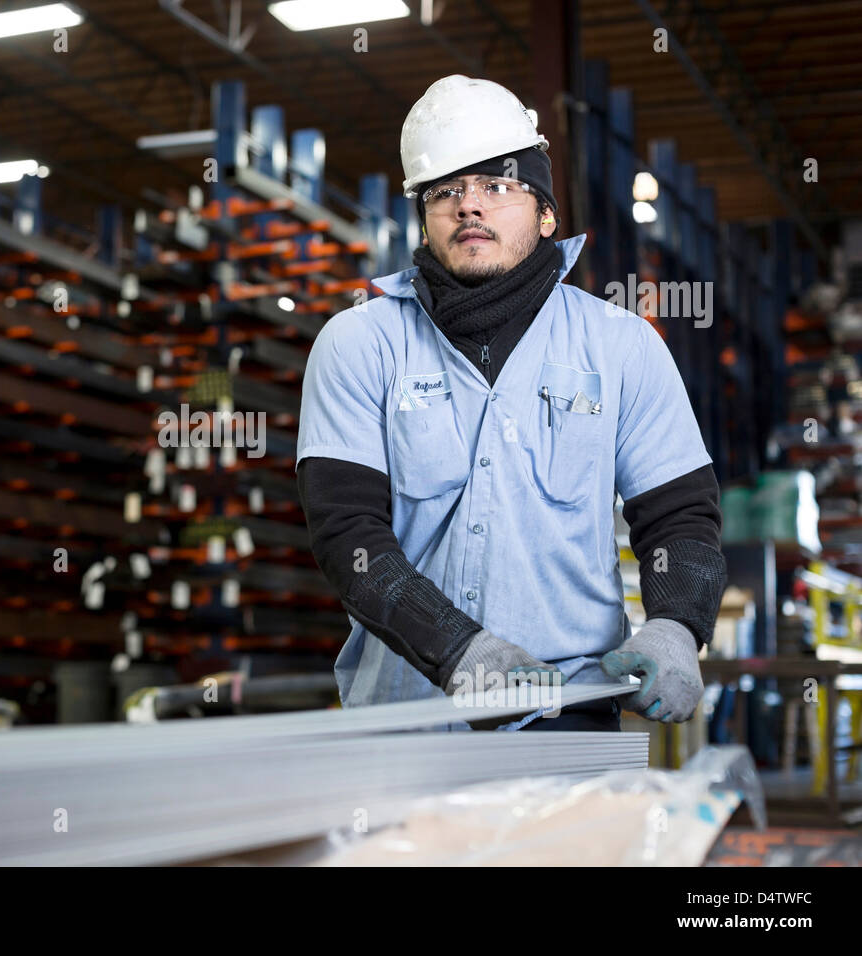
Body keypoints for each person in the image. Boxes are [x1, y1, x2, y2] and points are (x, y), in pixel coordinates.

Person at [296, 75, 726, 731]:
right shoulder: (358, 344)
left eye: (497, 186)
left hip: (568, 719)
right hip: (401, 724)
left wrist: (675, 624)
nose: (469, 207)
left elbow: (680, 516)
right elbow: (348, 537)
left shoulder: (622, 347)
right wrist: (457, 649)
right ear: (425, 216)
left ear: (544, 211)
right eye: (446, 191)